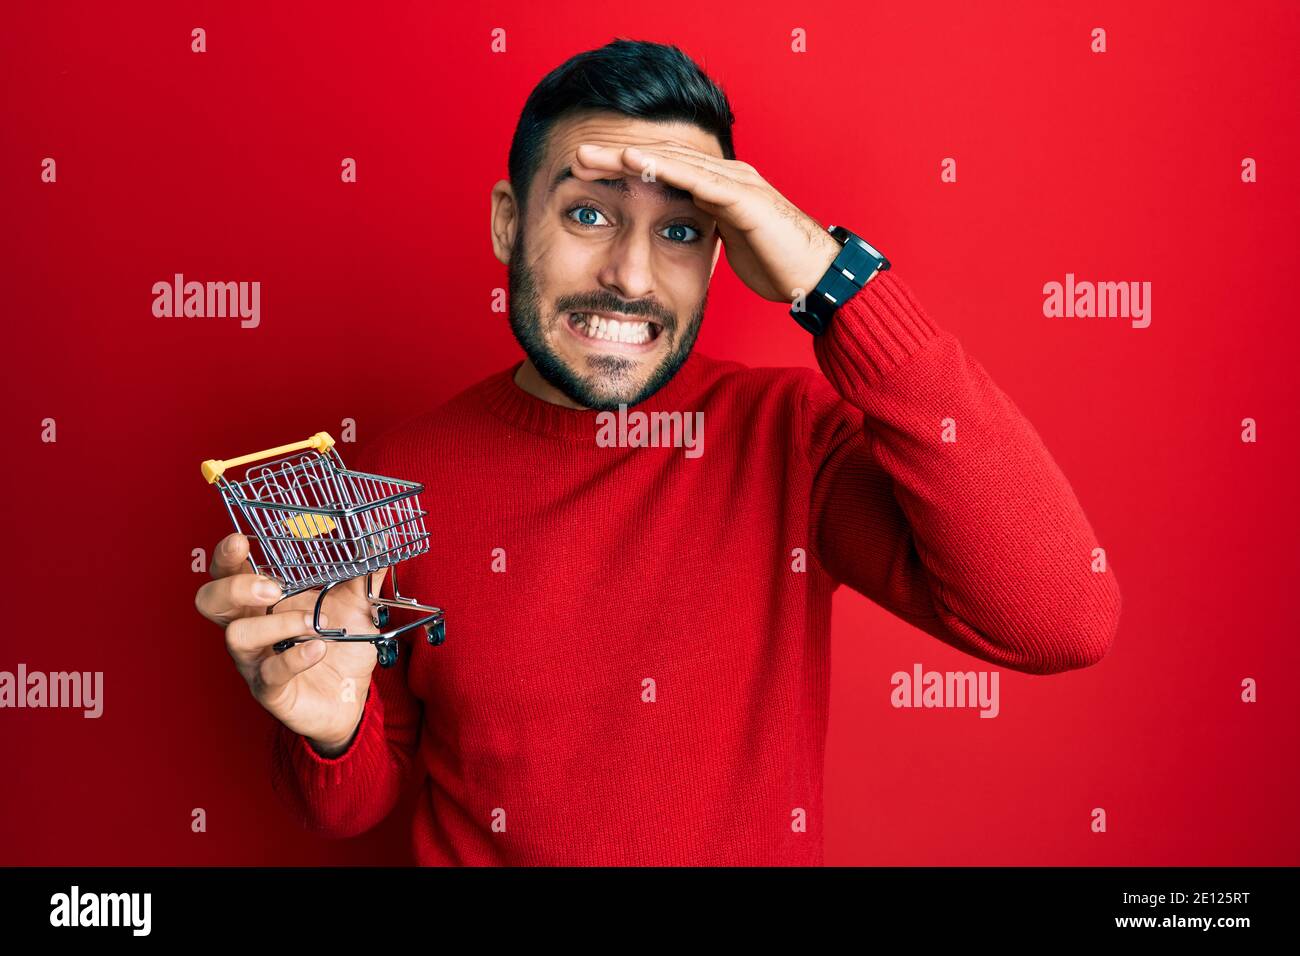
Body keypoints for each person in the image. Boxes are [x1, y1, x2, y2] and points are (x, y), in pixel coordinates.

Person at [194, 38, 1122, 865]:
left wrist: (840, 285)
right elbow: (353, 808)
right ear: (509, 224)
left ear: (721, 255)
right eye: (589, 215)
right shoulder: (397, 479)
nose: (632, 276)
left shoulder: (789, 439)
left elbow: (1059, 619)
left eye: (680, 230)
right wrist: (329, 736)